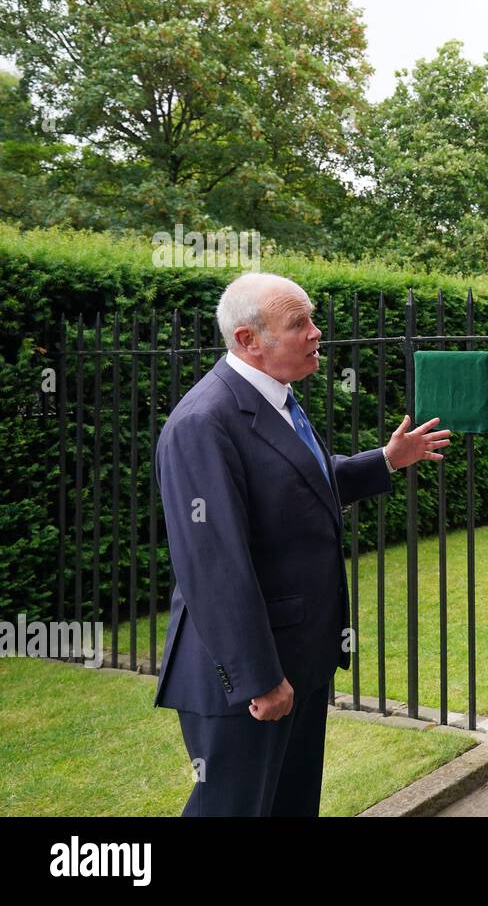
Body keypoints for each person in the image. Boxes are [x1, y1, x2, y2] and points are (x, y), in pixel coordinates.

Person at [153, 271, 452, 816]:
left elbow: (300, 483)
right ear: (248, 340)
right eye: (299, 324)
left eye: (312, 319)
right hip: (247, 679)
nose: (316, 333)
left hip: (300, 660)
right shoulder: (203, 422)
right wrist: (259, 678)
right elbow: (213, 564)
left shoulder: (277, 398)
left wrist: (386, 460)